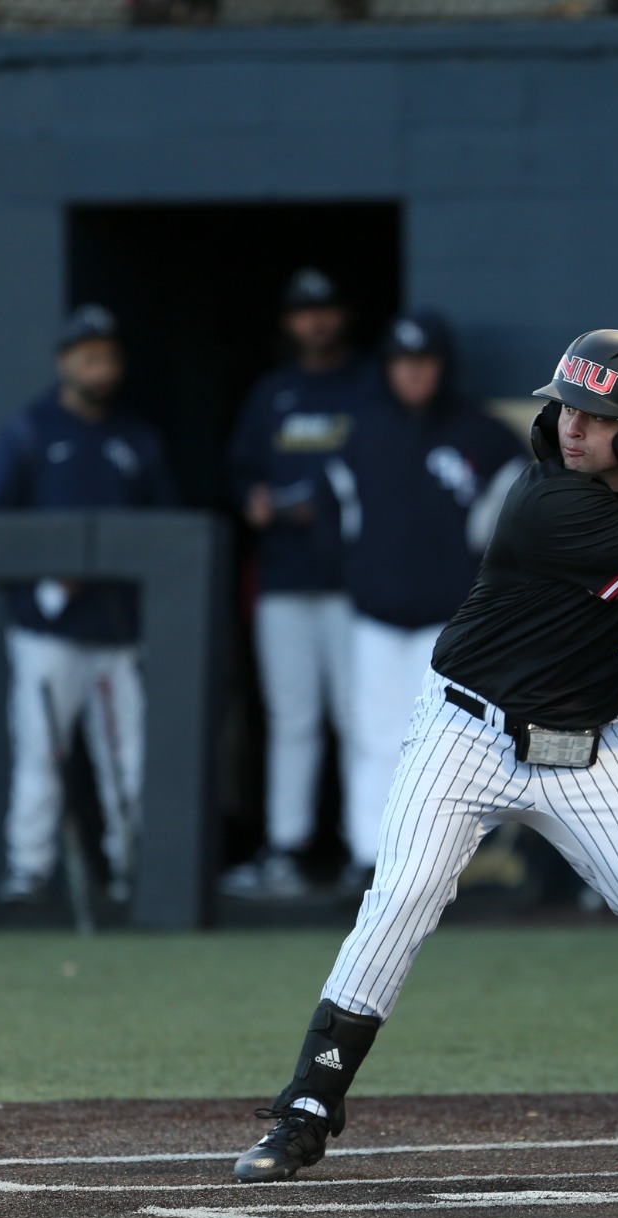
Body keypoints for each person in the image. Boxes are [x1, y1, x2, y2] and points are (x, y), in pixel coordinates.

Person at [232, 329, 618, 1183]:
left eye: (595, 414)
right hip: (467, 731)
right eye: (567, 405)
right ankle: (304, 1111)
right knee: (402, 899)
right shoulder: (549, 503)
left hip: (590, 749)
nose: (569, 425)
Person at [0, 304, 176, 907]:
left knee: (128, 759)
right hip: (48, 629)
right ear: (64, 362)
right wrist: (46, 580)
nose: (101, 369)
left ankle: (130, 871)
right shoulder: (29, 431)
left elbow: (168, 529)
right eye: (88, 357)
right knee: (40, 753)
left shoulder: (135, 438)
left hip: (117, 631)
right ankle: (29, 871)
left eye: (109, 358)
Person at [336, 311, 524, 893]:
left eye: (424, 363)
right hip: (375, 615)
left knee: (449, 745)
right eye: (402, 363)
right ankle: (370, 854)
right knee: (372, 735)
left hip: (452, 619)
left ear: (442, 367)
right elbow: (341, 520)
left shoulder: (485, 435)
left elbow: (511, 525)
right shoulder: (363, 433)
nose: (413, 375)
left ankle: (434, 863)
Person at [220, 269, 369, 900]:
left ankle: (368, 851)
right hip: (283, 582)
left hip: (350, 584)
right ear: (288, 322)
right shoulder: (273, 394)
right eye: (304, 312)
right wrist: (255, 500)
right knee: (291, 719)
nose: (316, 322)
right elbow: (238, 473)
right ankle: (286, 847)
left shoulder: (366, 386)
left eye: (326, 310)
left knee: (362, 720)